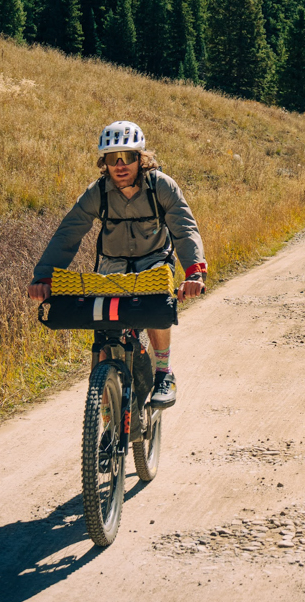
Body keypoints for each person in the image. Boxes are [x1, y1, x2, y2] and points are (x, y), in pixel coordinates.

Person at [27, 121, 207, 407]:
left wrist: (194, 272)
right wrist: (44, 276)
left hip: (154, 260)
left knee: (155, 304)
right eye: (113, 158)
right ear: (105, 163)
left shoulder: (161, 186)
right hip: (112, 265)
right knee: (102, 333)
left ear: (141, 158)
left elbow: (184, 230)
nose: (120, 165)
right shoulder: (98, 191)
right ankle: (102, 406)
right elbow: (69, 232)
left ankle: (163, 373)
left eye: (128, 157)